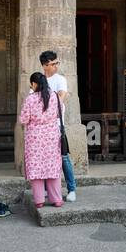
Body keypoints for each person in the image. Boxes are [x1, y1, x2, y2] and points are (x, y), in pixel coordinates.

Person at [19, 71, 64, 210]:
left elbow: (24, 119)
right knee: (52, 167)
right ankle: (56, 199)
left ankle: (39, 200)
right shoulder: (55, 96)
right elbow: (60, 113)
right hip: (51, 135)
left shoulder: (30, 99)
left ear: (34, 84)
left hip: (35, 137)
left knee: (36, 167)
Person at [40, 51, 77, 202]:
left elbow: (62, 96)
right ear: (44, 65)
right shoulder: (39, 80)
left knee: (64, 158)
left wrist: (47, 107)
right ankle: (46, 190)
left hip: (56, 125)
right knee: (43, 158)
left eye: (57, 63)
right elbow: (32, 99)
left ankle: (71, 189)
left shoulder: (60, 79)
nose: (56, 66)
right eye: (53, 64)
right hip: (41, 128)